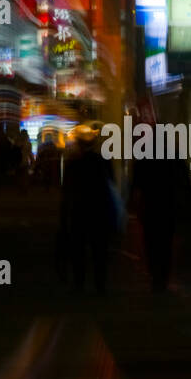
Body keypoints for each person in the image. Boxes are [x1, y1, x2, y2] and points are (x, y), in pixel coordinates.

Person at [130, 109, 191, 291]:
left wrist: (134, 199)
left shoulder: (144, 155)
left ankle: (155, 274)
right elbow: (184, 179)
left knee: (151, 242)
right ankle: (162, 276)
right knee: (165, 242)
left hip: (150, 206)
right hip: (168, 205)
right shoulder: (173, 154)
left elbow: (136, 182)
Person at [59, 123, 115, 292]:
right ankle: (100, 284)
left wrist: (63, 217)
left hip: (79, 212)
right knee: (100, 250)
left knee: (78, 250)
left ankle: (79, 283)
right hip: (99, 212)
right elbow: (111, 187)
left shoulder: (73, 164)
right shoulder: (104, 162)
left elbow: (67, 192)